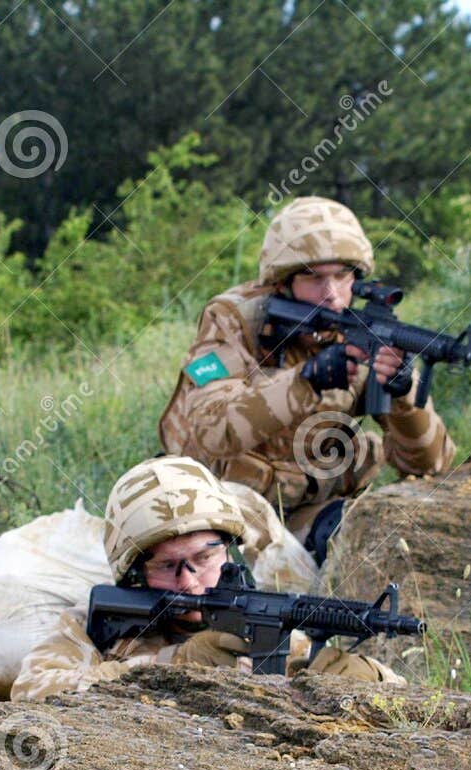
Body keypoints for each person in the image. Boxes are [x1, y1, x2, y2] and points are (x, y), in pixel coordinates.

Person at [159, 196, 455, 563]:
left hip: (309, 511)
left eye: (342, 276)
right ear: (282, 282)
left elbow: (431, 465)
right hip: (221, 506)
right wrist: (306, 381)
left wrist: (403, 397)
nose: (331, 294)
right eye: (314, 277)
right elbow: (212, 429)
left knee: (369, 541)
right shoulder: (236, 321)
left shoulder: (361, 333)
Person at [12, 457, 403, 700]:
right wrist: (170, 666)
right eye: (168, 566)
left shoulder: (261, 625)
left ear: (228, 549)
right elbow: (30, 692)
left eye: (205, 557)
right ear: (133, 571)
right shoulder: (91, 624)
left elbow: (398, 697)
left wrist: (368, 677)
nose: (190, 582)